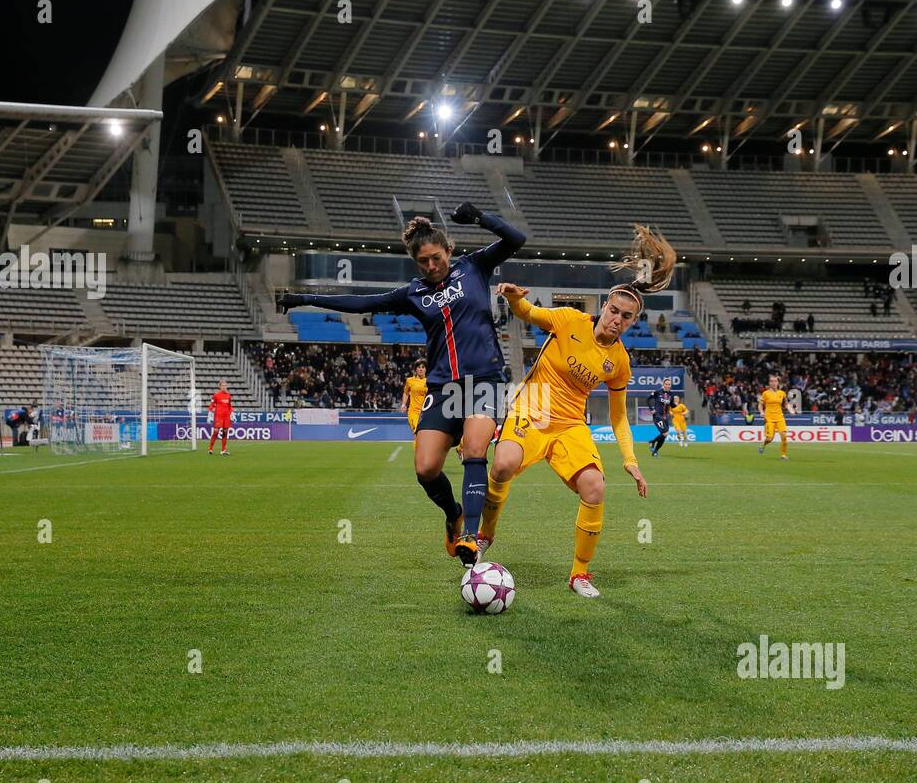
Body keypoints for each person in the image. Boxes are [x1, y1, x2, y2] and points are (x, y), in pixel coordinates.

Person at [279, 204, 525, 566]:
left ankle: (471, 538)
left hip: (484, 380)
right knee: (426, 469)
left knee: (475, 451)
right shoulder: (412, 293)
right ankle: (453, 513)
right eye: (423, 261)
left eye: (436, 257)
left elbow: (516, 239)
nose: (430, 266)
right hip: (442, 388)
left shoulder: (474, 267)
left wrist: (479, 217)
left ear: (448, 251)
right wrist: (305, 299)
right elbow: (361, 302)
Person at [478, 224, 664, 597]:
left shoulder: (619, 362)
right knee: (501, 465)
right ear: (604, 307)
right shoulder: (568, 320)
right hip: (533, 410)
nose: (618, 320)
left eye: (627, 317)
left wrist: (630, 459)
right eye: (614, 310)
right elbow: (527, 312)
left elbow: (618, 416)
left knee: (595, 487)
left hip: (569, 425)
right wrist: (514, 297)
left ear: (632, 322)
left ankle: (580, 574)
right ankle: (485, 535)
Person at [757, 373, 789, 459]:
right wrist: (761, 412)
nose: (773, 383)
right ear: (769, 383)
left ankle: (783, 455)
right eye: (771, 381)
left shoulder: (782, 393)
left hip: (780, 417)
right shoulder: (765, 393)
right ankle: (763, 444)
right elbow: (760, 405)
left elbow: (786, 404)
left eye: (775, 381)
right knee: (769, 438)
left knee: (784, 436)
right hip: (769, 418)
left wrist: (791, 409)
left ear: (778, 382)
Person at [647, 378, 676, 456]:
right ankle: (652, 442)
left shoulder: (671, 395)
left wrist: (677, 405)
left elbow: (672, 405)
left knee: (663, 436)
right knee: (665, 433)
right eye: (666, 384)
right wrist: (651, 409)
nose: (667, 386)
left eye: (669, 384)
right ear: (663, 384)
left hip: (666, 417)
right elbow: (649, 399)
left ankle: (655, 451)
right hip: (657, 416)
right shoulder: (657, 392)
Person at [401, 358, 429, 434]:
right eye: (419, 367)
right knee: (417, 432)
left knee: (424, 435)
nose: (421, 369)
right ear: (415, 369)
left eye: (423, 367)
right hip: (413, 412)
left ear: (426, 369)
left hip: (426, 413)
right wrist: (403, 404)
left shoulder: (429, 381)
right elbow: (406, 393)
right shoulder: (409, 380)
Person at [208, 379, 233, 455]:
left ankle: (223, 450)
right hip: (219, 416)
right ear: (220, 386)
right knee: (216, 432)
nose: (224, 387)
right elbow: (211, 406)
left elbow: (230, 406)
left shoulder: (228, 395)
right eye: (222, 385)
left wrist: (232, 413)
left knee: (225, 432)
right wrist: (210, 415)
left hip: (226, 417)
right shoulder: (216, 395)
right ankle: (210, 449)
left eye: (225, 385)